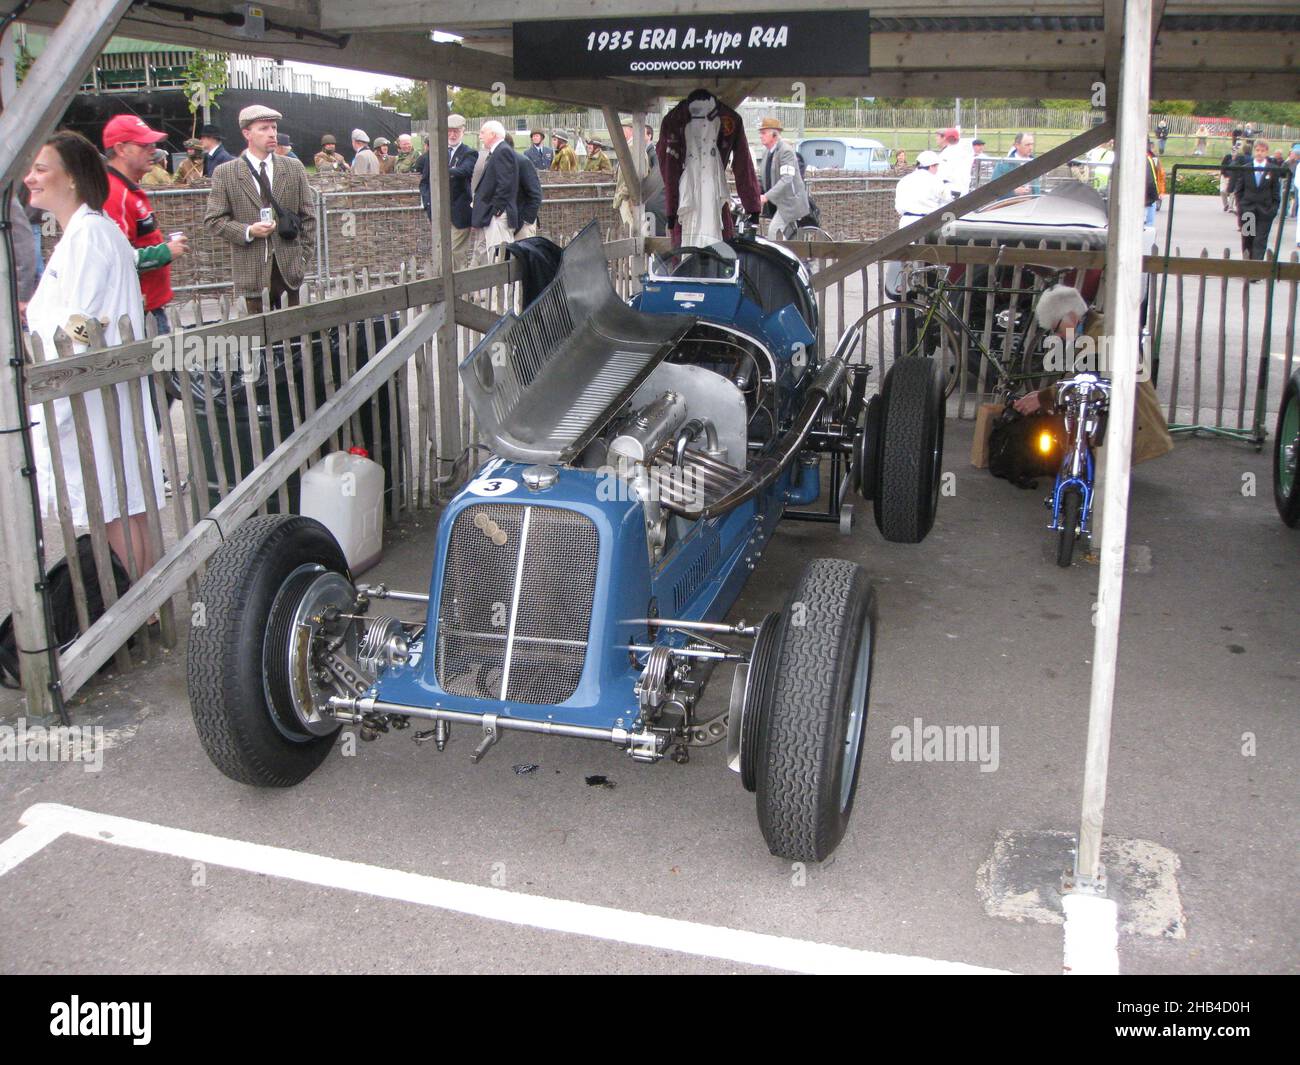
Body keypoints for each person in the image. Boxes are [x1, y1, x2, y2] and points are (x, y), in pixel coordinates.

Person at [23, 130, 164, 577]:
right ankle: (146, 603)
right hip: (106, 384)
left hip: (90, 388)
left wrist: (43, 332)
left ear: (73, 178)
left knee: (111, 503)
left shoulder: (86, 236)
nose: (30, 178)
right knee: (125, 499)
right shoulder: (93, 232)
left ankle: (131, 611)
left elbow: (81, 324)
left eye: (41, 169)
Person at [203, 104, 316, 313]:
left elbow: (308, 217)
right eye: (263, 128)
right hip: (250, 274)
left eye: (273, 127)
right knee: (257, 341)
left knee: (294, 338)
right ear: (247, 133)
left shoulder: (293, 168)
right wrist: (248, 231)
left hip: (289, 273)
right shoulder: (226, 173)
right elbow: (213, 220)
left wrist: (302, 258)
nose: (272, 133)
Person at [102, 114, 189, 338]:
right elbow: (117, 260)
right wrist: (164, 252)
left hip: (144, 306)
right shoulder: (114, 194)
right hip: (136, 310)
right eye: (144, 145)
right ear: (121, 149)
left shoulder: (124, 189)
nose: (153, 150)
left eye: (153, 144)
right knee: (154, 372)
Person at [470, 119, 519, 264]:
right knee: (495, 255)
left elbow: (505, 183)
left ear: (493, 134)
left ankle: (506, 287)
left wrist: (497, 209)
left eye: (483, 132)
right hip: (493, 213)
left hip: (498, 215)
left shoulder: (502, 151)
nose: (480, 136)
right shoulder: (499, 151)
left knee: (501, 256)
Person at [757, 116, 810, 240]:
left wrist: (766, 196)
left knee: (774, 232)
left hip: (789, 202)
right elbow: (762, 178)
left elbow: (787, 179)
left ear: (774, 135)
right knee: (783, 236)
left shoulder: (786, 151)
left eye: (764, 133)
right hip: (777, 202)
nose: (760, 136)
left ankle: (781, 258)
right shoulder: (766, 152)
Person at [1232, 139, 1283, 262]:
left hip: (1265, 211)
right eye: (1257, 150)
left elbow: (1276, 192)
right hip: (1248, 210)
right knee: (1247, 238)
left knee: (1260, 240)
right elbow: (1239, 191)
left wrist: (1273, 210)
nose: (1260, 153)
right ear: (1254, 151)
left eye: (1263, 151)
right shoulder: (1246, 168)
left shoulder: (1273, 169)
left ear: (1267, 152)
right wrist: (1241, 208)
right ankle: (1247, 266)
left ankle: (1256, 270)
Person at [935, 126, 974, 199]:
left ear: (945, 138)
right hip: (964, 189)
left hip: (950, 190)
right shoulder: (966, 153)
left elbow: (941, 174)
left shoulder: (945, 154)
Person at [514, 149, 542, 240]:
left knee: (523, 253)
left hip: (524, 223)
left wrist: (527, 220)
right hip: (511, 222)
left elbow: (536, 193)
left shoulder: (523, 162)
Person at [1220, 139, 1242, 212]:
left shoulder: (1239, 158)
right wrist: (1224, 174)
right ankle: (1226, 204)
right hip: (1225, 176)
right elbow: (1222, 166)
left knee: (1232, 192)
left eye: (1235, 150)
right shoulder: (1227, 157)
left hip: (1234, 177)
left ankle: (1230, 206)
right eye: (1233, 150)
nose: (1233, 152)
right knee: (1223, 191)